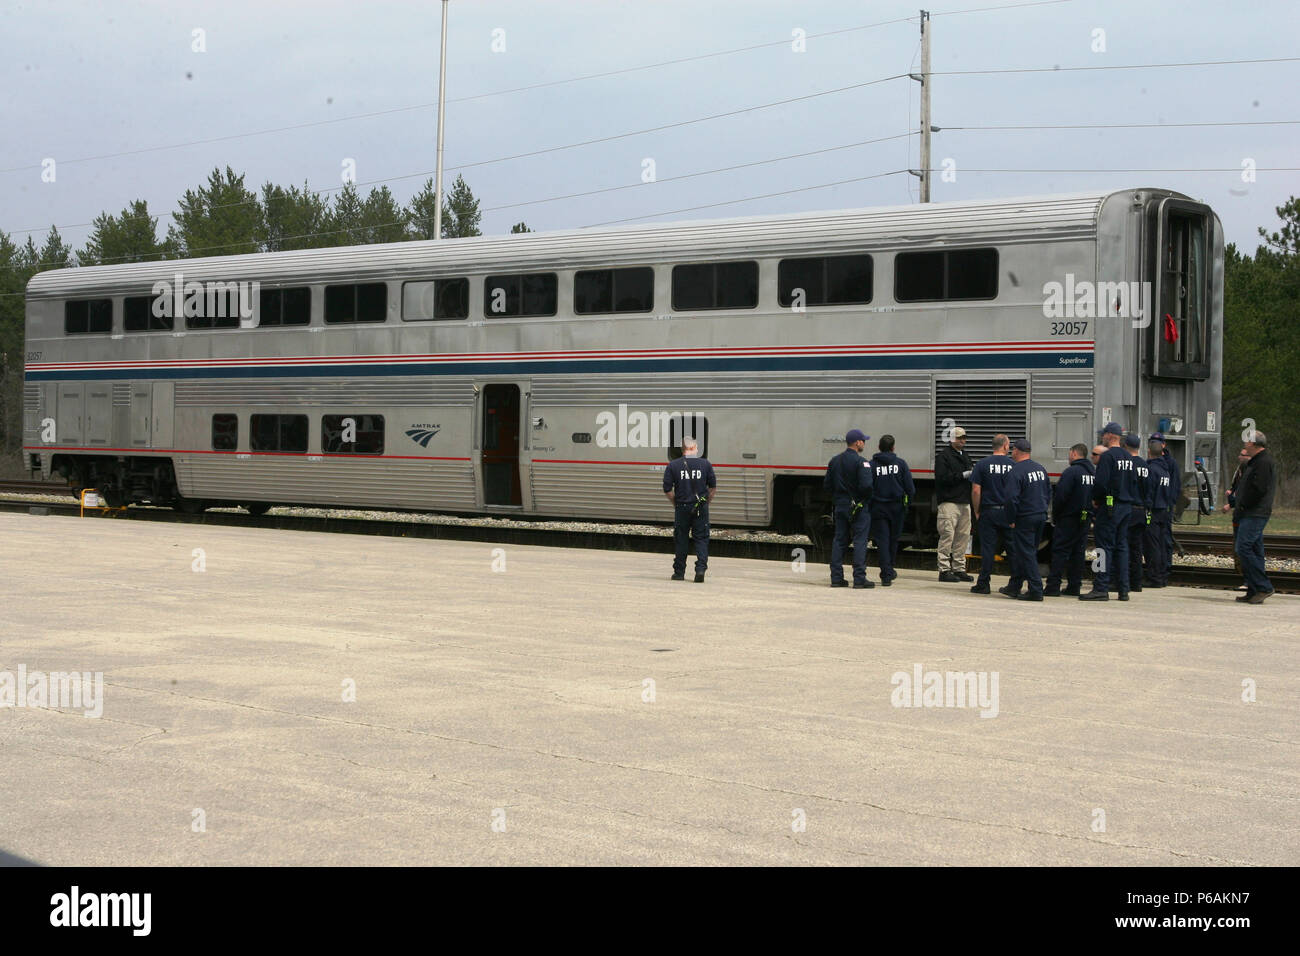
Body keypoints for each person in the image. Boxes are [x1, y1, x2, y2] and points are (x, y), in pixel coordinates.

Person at [1080, 422, 1140, 601]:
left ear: (1110, 436)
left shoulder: (1108, 457)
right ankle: (1123, 589)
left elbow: (1100, 483)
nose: (1102, 438)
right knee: (1122, 547)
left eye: (1103, 435)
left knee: (1103, 548)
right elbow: (1134, 483)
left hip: (1109, 507)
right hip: (1126, 506)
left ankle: (1100, 587)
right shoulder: (1129, 457)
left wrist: (1096, 500)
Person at [1000, 439, 1052, 601]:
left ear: (1016, 451)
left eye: (1013, 450)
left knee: (1026, 553)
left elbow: (1010, 499)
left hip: (1024, 517)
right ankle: (1014, 586)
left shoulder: (1016, 471)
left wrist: (1011, 519)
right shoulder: (1040, 469)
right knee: (1028, 551)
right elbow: (1048, 492)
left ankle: (1036, 589)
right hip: (1040, 515)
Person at [823, 429, 875, 589]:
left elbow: (827, 485)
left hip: (840, 506)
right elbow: (867, 486)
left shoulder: (834, 461)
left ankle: (836, 578)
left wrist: (839, 498)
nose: (864, 444)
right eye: (863, 441)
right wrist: (862, 499)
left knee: (839, 540)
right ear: (858, 442)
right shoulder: (862, 462)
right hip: (858, 507)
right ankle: (859, 578)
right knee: (860, 540)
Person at [663, 436, 716, 582]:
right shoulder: (706, 464)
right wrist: (705, 503)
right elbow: (712, 487)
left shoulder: (673, 465)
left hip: (682, 507)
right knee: (701, 539)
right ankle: (700, 570)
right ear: (693, 448)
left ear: (683, 449)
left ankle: (679, 573)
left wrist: (676, 503)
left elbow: (667, 489)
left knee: (681, 539)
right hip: (701, 507)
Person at [969, 433, 1016, 594]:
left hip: (988, 511)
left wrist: (977, 510)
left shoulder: (982, 464)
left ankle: (983, 583)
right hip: (1007, 512)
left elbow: (976, 490)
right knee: (1012, 548)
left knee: (988, 548)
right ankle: (1014, 584)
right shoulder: (1013, 465)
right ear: (1004, 446)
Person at [1045, 443, 1094, 597]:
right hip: (1085, 517)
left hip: (1068, 518)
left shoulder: (1071, 472)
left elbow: (1061, 496)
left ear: (1073, 453)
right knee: (1078, 553)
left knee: (1060, 551)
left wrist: (1055, 515)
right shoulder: (1092, 473)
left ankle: (1053, 586)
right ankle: (1074, 585)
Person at [1233, 430, 1276, 604]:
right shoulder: (1257, 462)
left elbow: (1259, 489)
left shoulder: (1263, 462)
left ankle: (1263, 586)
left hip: (1255, 513)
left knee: (1243, 548)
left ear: (1252, 444)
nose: (1244, 445)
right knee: (1255, 551)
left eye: (1246, 442)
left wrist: (1244, 504)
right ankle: (1254, 589)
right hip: (1250, 512)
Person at [868, 435, 915, 587]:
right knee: (893, 540)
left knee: (882, 540)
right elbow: (910, 488)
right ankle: (890, 569)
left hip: (878, 507)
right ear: (893, 447)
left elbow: (867, 486)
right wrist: (907, 503)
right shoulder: (900, 464)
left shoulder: (872, 465)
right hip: (897, 508)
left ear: (879, 447)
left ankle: (886, 574)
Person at [934, 425, 975, 582]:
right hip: (948, 501)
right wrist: (962, 475)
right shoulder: (943, 457)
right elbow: (942, 478)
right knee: (947, 535)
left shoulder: (965, 455)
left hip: (964, 501)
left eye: (964, 437)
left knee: (963, 536)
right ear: (952, 439)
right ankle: (944, 569)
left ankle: (959, 568)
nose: (963, 440)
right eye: (959, 438)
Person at [1143, 434, 1176, 588]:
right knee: (1162, 544)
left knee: (1152, 545)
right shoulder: (1165, 470)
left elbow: (1148, 492)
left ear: (1149, 452)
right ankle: (1162, 575)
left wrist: (1146, 508)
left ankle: (1154, 577)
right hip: (1164, 509)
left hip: (1154, 510)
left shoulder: (1151, 469)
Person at [1125, 433, 1152, 593]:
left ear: (1126, 446)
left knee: (1124, 547)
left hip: (1130, 509)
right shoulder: (1145, 465)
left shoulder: (1128, 465)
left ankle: (1125, 580)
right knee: (1137, 548)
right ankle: (1137, 582)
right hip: (1142, 510)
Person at [1222, 447, 1251, 582]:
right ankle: (1240, 572)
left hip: (1245, 513)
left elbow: (1243, 493)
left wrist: (1231, 504)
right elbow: (1235, 488)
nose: (1240, 457)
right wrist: (1230, 493)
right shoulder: (1238, 470)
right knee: (1236, 545)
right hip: (1238, 512)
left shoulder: (1249, 471)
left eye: (1243, 455)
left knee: (1243, 545)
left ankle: (1246, 576)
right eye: (1240, 454)